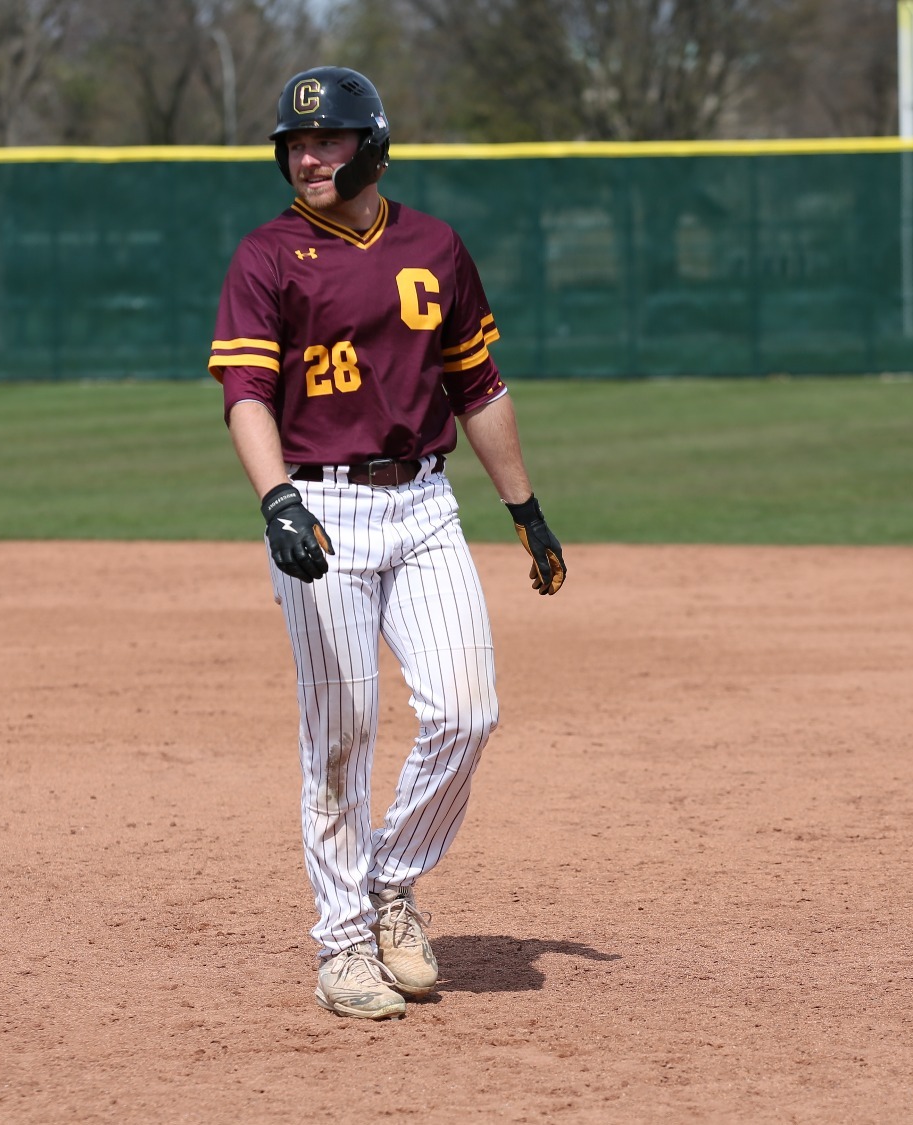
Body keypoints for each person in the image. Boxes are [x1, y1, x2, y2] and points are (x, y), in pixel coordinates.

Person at [206, 66, 567, 1020]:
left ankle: (385, 883)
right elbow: (245, 394)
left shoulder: (435, 246)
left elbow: (478, 386)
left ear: (372, 146)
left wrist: (524, 511)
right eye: (294, 142)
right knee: (341, 736)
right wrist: (276, 499)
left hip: (424, 506)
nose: (306, 155)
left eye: (325, 141)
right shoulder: (268, 256)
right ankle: (341, 947)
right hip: (323, 510)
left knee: (467, 709)